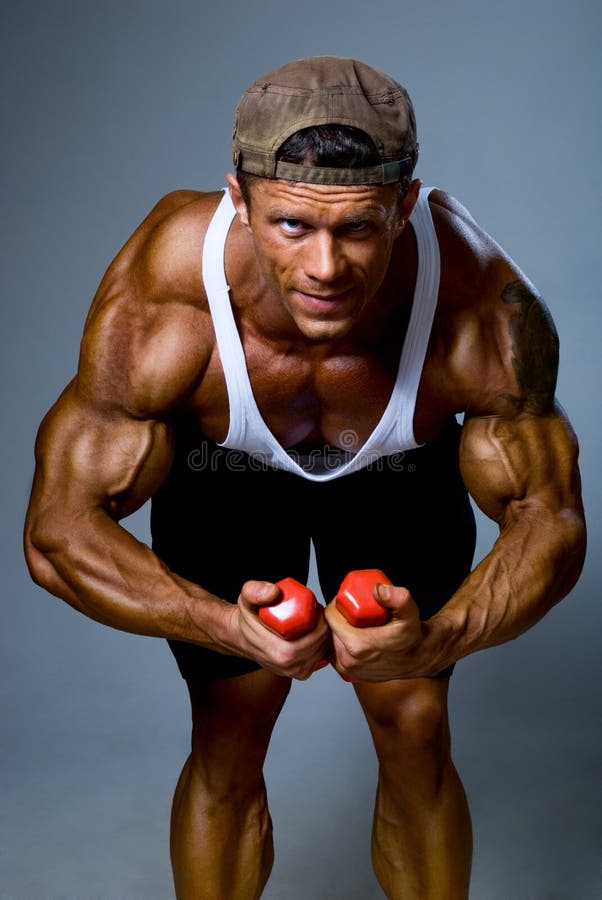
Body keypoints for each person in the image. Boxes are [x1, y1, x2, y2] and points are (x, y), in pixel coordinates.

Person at [24, 55, 586, 900]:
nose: (325, 266)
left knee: (416, 727)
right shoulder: (164, 294)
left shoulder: (477, 303)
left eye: (358, 228)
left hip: (399, 473)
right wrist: (222, 625)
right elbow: (57, 535)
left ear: (404, 205)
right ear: (239, 199)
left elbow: (554, 520)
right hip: (228, 476)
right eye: (291, 224)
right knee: (227, 734)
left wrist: (436, 641)